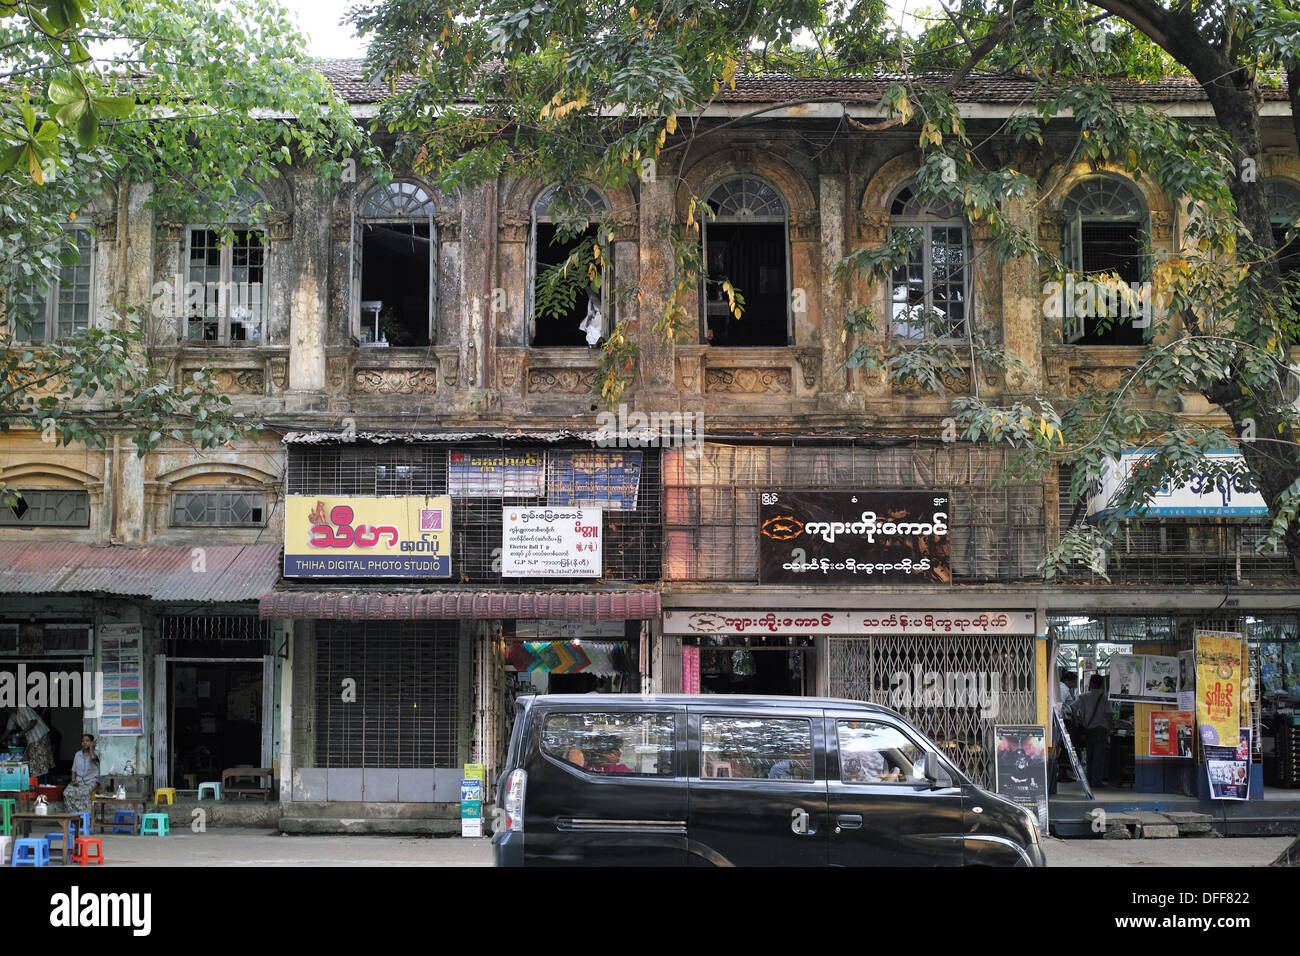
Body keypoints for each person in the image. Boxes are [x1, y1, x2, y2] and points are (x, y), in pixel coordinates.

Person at [1076, 674, 1112, 788]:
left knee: (1089, 756)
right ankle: (1096, 782)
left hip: (1088, 730)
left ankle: (1089, 780)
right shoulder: (1105, 698)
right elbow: (1109, 715)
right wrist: (1109, 730)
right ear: (1101, 684)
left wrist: (1077, 721)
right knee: (1099, 757)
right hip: (1101, 730)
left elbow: (1072, 707)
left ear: (1090, 683)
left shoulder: (1083, 697)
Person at [2, 707, 54, 780]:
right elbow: (8, 729)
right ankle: (35, 781)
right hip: (31, 739)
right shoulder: (13, 715)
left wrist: (22, 733)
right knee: (31, 760)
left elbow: (33, 721)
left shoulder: (23, 708)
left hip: (39, 735)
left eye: (7, 707)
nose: (6, 709)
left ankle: (40, 783)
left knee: (39, 761)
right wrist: (1, 740)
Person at [62, 733, 101, 813]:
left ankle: (86, 817)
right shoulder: (78, 754)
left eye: (87, 741)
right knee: (67, 792)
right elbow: (74, 769)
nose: (85, 743)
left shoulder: (96, 753)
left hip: (91, 781)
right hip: (79, 781)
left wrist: (91, 748)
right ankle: (72, 816)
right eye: (83, 741)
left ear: (92, 742)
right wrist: (73, 780)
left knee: (85, 793)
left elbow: (93, 758)